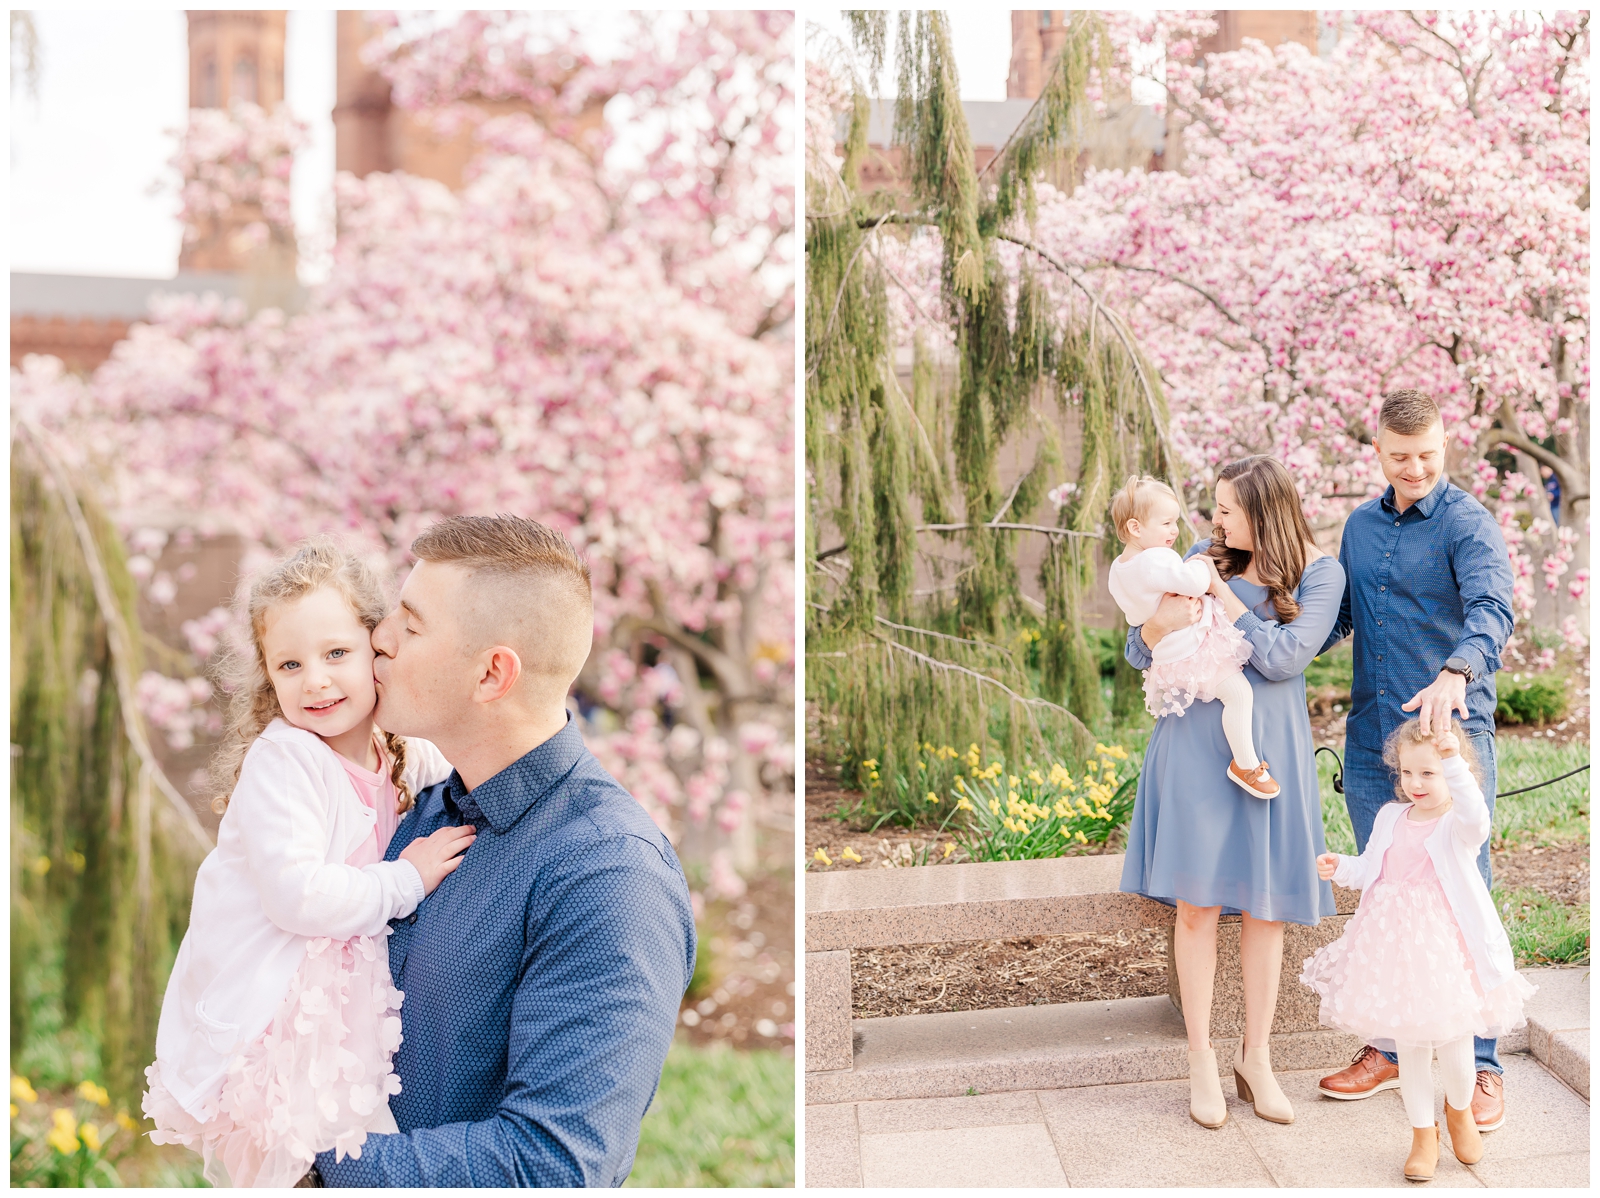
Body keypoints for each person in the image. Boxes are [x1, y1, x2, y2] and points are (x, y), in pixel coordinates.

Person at [312, 514, 697, 1187]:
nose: (379, 637)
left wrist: (315, 1162)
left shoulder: (609, 874)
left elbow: (554, 1165)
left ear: (492, 674)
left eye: (411, 625)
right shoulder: (420, 810)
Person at [143, 540, 472, 1187]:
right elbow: (297, 896)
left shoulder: (400, 750)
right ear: (269, 676)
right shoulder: (286, 761)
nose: (315, 680)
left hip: (350, 1007)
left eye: (336, 654)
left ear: (377, 648)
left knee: (357, 1159)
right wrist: (407, 878)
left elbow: (469, 765)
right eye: (290, 664)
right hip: (284, 1021)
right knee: (299, 1169)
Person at [1121, 455, 1345, 1130]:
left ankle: (1257, 1057)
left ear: (1264, 513)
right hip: (1193, 747)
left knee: (1265, 911)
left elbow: (1283, 658)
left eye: (1226, 510)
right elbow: (1139, 650)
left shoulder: (1321, 573)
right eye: (1214, 508)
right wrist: (1156, 627)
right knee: (1196, 908)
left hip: (1267, 752)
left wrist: (1221, 595)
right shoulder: (1201, 554)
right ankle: (1201, 1061)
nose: (1213, 520)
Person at [1314, 389, 1516, 1133]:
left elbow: (1493, 608)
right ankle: (1393, 1048)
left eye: (1427, 453)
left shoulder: (1469, 523)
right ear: (1378, 451)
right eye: (1400, 457)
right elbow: (1341, 618)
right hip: (1374, 742)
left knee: (1460, 893)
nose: (1416, 468)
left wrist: (1458, 670)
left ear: (1444, 444)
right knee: (1387, 892)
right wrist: (1275, 642)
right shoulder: (1360, 527)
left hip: (1447, 743)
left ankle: (1483, 1063)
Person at [1302, 721, 1534, 1182]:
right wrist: (1340, 866)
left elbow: (1477, 819)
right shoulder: (1391, 816)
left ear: (1452, 773)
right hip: (1393, 948)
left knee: (1454, 1040)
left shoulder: (1456, 824)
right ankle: (1422, 1134)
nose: (1416, 783)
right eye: (1408, 772)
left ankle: (1459, 1113)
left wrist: (1452, 761)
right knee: (1409, 1045)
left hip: (1444, 948)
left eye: (1429, 773)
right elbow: (1371, 868)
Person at [1107, 475, 1277, 799]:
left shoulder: (1119, 569)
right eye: (1166, 523)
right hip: (1190, 649)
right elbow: (1195, 583)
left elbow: (1134, 615)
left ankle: (1244, 764)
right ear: (1135, 528)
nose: (1174, 531)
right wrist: (1204, 568)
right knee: (1239, 694)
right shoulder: (1155, 559)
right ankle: (1246, 765)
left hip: (1168, 658)